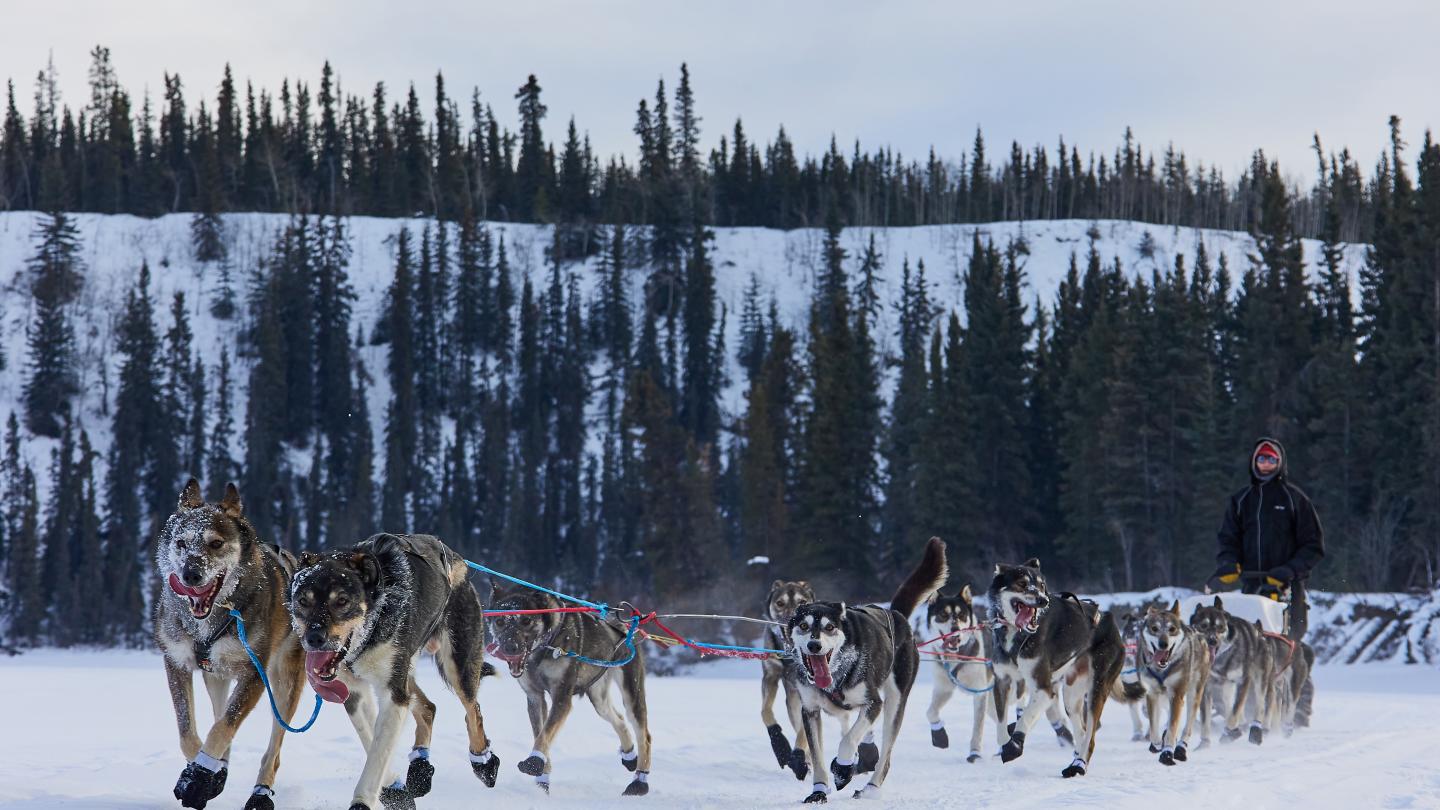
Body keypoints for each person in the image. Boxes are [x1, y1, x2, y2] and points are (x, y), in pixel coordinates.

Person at [1207, 437, 1325, 642]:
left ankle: (1294, 672)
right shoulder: (1241, 500)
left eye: (1271, 460)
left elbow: (1313, 546)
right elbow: (1228, 539)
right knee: (1250, 641)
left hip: (1288, 586)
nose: (1266, 464)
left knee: (1289, 641)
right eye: (1262, 459)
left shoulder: (1295, 499)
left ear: (1280, 463)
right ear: (1254, 461)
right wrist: (1228, 563)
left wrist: (1289, 570)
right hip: (1252, 585)